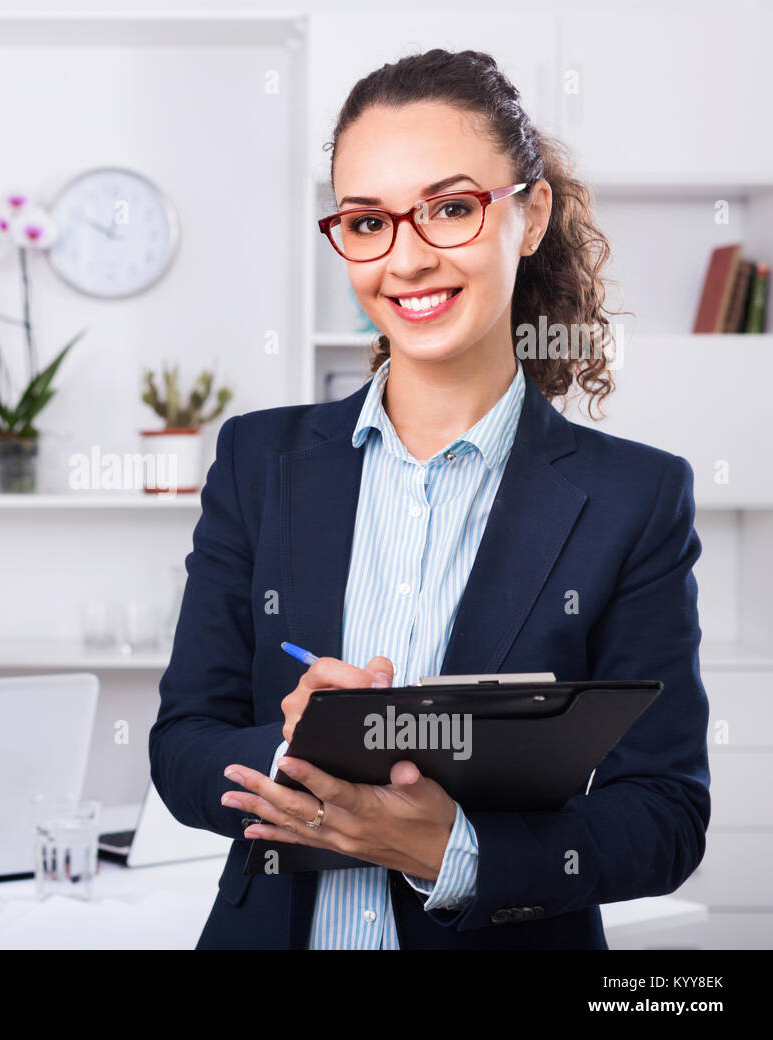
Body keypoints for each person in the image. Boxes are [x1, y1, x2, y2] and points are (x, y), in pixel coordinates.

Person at [149, 49, 709, 950]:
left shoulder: (633, 497)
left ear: (529, 216)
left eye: (450, 209)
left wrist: (458, 849)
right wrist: (292, 754)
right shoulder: (259, 460)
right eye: (367, 222)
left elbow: (666, 814)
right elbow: (181, 748)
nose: (405, 260)